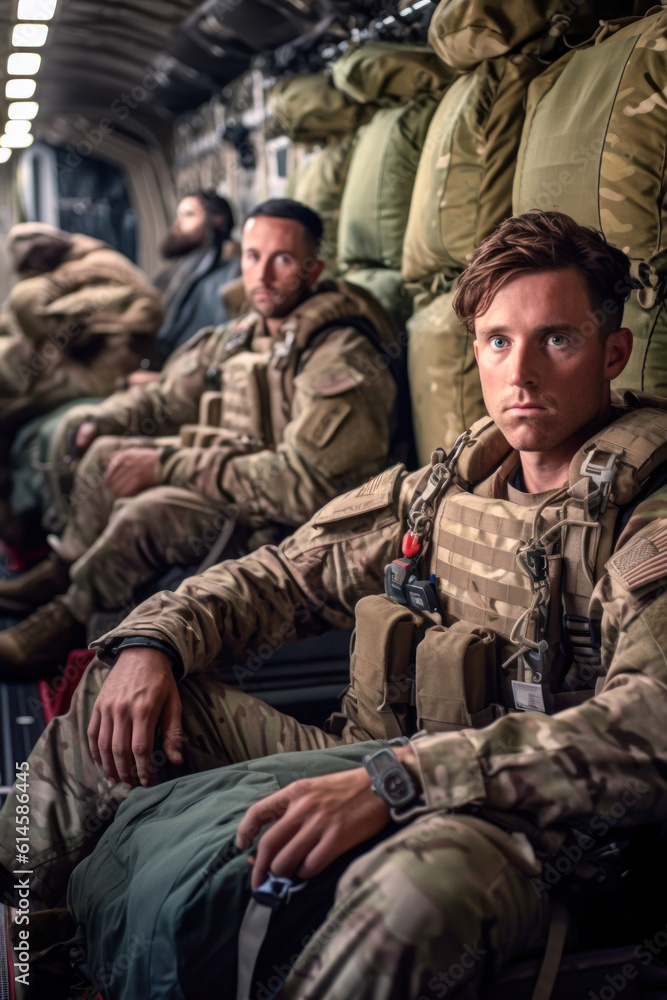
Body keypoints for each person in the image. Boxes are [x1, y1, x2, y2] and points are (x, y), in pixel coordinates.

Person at [3, 210, 666, 998]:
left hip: (540, 838)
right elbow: (284, 575)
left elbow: (648, 725)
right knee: (118, 697)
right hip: (374, 766)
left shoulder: (642, 518)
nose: (519, 373)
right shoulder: (446, 490)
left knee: (409, 897)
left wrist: (406, 778)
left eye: (555, 340)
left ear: (611, 352)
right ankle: (26, 938)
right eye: (497, 341)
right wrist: (156, 640)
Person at [0, 198, 399, 674]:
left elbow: (311, 486)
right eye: (252, 256)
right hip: (236, 481)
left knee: (148, 514)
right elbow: (168, 397)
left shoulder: (339, 352)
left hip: (295, 523)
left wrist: (167, 466)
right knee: (108, 455)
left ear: (313, 270)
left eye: (282, 259)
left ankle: (70, 619)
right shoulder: (243, 334)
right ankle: (63, 572)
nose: (262, 275)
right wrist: (103, 421)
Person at [153, 190, 241, 361]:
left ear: (218, 220)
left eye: (189, 214)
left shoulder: (232, 272)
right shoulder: (170, 274)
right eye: (178, 216)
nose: (178, 223)